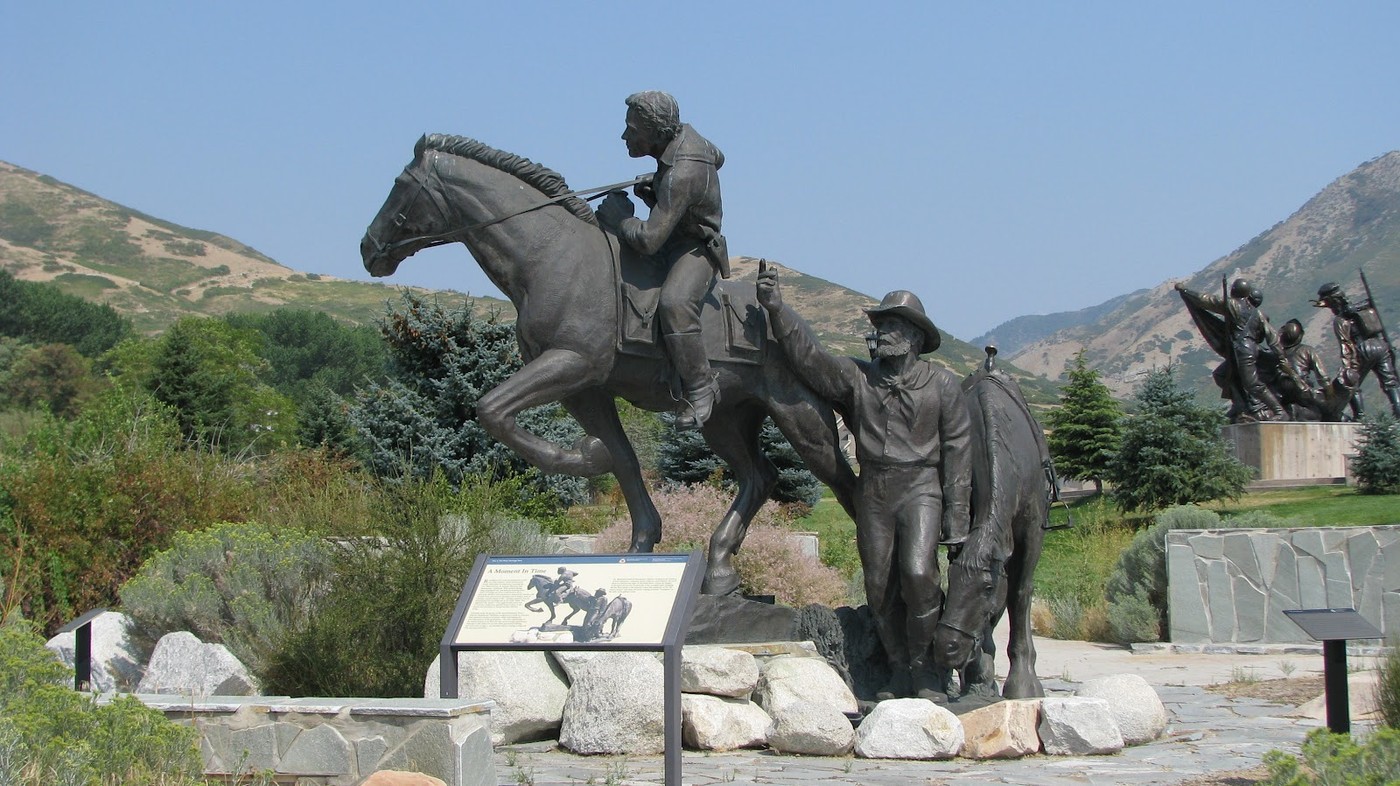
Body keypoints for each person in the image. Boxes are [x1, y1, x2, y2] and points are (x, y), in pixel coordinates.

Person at [756, 263, 971, 701]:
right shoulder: (859, 378)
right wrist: (777, 309)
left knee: (918, 574)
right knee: (879, 585)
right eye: (882, 325)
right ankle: (898, 671)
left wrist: (958, 513)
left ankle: (927, 672)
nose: (884, 332)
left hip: (921, 488)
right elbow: (811, 359)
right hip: (873, 489)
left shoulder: (943, 385)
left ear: (916, 337)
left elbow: (958, 450)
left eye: (894, 325)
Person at [597, 91, 728, 430]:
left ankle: (701, 387)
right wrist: (658, 186)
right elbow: (719, 156)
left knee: (674, 303)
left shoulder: (682, 173)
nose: (624, 136)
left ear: (656, 132)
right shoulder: (686, 142)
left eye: (632, 130)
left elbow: (649, 240)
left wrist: (621, 219)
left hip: (693, 248)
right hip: (674, 234)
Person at [1176, 279, 1285, 422]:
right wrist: (1279, 353)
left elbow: (1206, 300)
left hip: (1244, 350)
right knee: (1222, 374)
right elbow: (1272, 336)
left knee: (1252, 383)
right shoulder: (1257, 313)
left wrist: (1185, 290)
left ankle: (1279, 411)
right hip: (1240, 350)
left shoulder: (1234, 305)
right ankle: (1241, 406)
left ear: (1234, 290)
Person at [1314, 282, 1400, 418]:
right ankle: (1398, 410)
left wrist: (1347, 367)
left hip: (1362, 349)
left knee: (1352, 382)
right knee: (1391, 382)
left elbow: (1345, 344)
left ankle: (1360, 416)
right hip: (1380, 345)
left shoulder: (1340, 320)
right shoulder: (1363, 307)